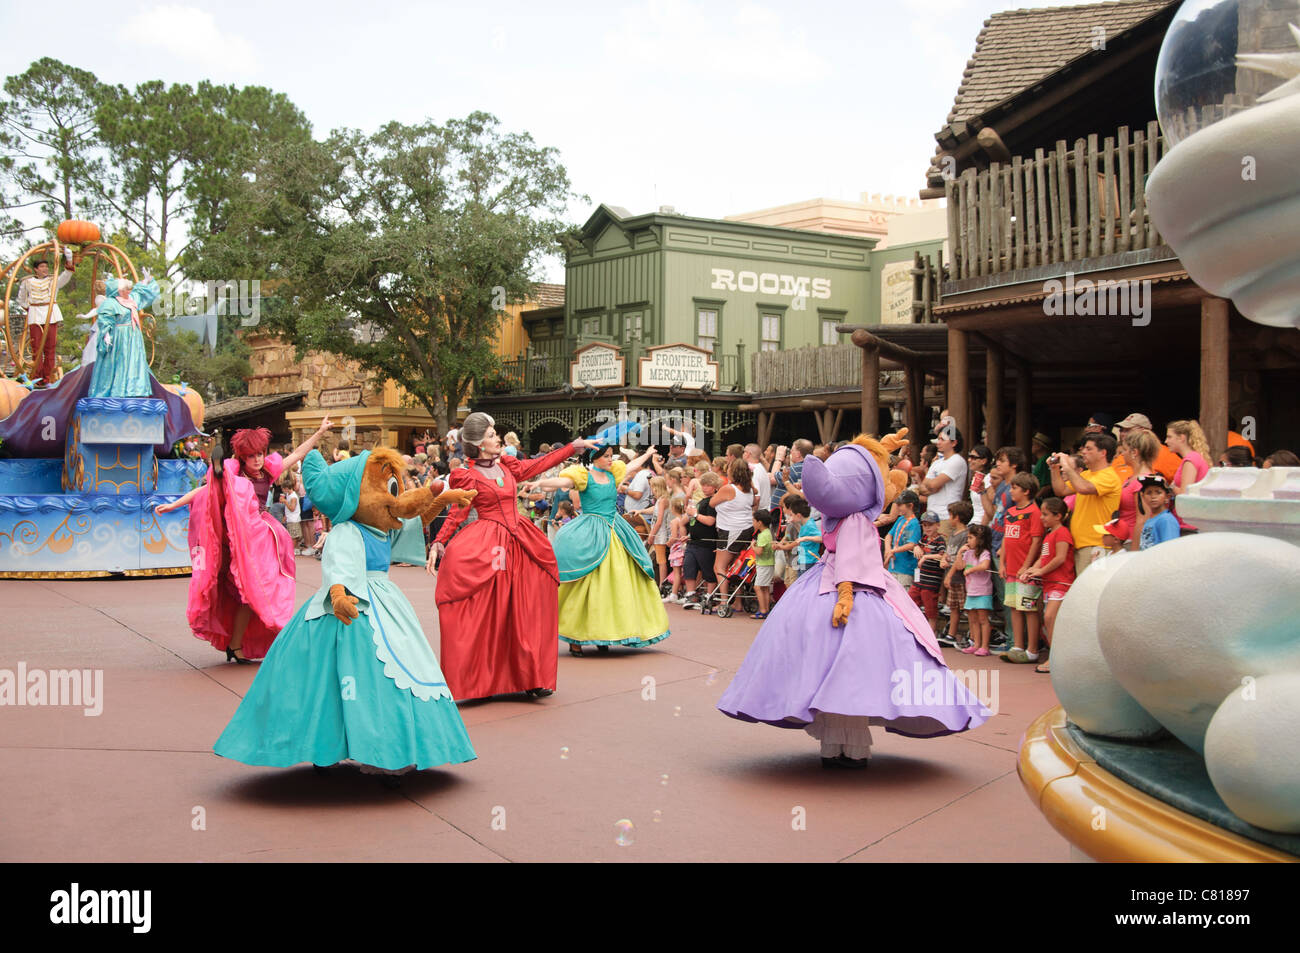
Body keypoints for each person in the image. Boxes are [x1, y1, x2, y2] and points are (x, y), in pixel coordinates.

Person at [717, 431, 989, 768]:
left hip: (832, 584)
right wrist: (845, 596)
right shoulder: (856, 519)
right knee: (854, 668)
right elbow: (850, 558)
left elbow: (847, 555)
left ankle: (836, 747)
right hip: (852, 587)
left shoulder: (840, 517)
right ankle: (848, 749)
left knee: (829, 665)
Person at [214, 447, 478, 776]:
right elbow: (338, 565)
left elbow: (411, 519)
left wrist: (439, 500)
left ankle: (386, 747)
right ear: (353, 495)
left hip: (382, 601)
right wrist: (338, 594)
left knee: (389, 670)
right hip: (350, 604)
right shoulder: (347, 531)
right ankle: (330, 745)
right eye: (388, 490)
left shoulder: (382, 528)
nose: (395, 499)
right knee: (340, 677)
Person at [428, 413, 596, 698]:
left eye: (495, 434)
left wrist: (572, 448)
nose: (497, 439)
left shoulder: (508, 465)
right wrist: (439, 542)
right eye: (491, 435)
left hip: (520, 542)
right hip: (487, 546)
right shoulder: (466, 475)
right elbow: (457, 512)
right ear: (478, 444)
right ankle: (480, 682)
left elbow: (539, 464)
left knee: (524, 609)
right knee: (490, 612)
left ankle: (531, 677)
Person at [157, 418, 333, 662]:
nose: (257, 459)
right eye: (251, 456)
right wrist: (174, 505)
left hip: (260, 536)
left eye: (260, 454)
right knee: (246, 594)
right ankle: (239, 644)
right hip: (237, 537)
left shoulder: (267, 471)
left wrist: (320, 432)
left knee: (255, 593)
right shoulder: (235, 474)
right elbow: (204, 491)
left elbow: (296, 454)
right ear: (242, 457)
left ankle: (238, 644)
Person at [523, 444, 667, 656]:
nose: (610, 459)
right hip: (590, 531)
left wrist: (647, 454)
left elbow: (631, 466)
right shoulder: (584, 476)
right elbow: (563, 482)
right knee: (584, 585)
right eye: (606, 456)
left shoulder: (613, 473)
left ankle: (604, 634)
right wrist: (539, 482)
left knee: (616, 586)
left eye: (611, 455)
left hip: (615, 531)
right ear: (595, 457)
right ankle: (576, 638)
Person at [1050, 433, 1122, 577]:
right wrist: (1054, 468)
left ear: (1103, 453)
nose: (1083, 452)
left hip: (1097, 545)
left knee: (1092, 588)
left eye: (1089, 449)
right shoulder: (1086, 475)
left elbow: (1084, 488)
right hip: (1082, 545)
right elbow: (1061, 490)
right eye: (1083, 448)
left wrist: (1067, 466)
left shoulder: (1109, 475)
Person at [1023, 497, 1074, 674]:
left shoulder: (1062, 533)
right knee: (1049, 620)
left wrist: (1040, 571)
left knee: (1050, 618)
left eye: (1045, 514)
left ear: (1058, 516)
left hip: (1061, 583)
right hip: (1050, 585)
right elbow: (1043, 558)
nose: (1042, 518)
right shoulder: (1050, 534)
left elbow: (1060, 558)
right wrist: (1031, 570)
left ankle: (1055, 659)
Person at [89, 275, 162, 398]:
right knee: (119, 362)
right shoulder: (110, 303)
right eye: (125, 290)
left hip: (133, 337)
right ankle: (116, 391)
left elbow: (141, 293)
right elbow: (105, 321)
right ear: (118, 291)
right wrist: (106, 334)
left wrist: (146, 281)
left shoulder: (131, 299)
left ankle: (134, 391)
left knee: (134, 361)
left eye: (128, 289)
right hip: (119, 338)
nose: (128, 291)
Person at [999, 473, 1044, 665]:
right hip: (1010, 569)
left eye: (1014, 488)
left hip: (1025, 572)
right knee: (1014, 607)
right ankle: (1017, 646)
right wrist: (1002, 562)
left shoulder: (1034, 512)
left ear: (1026, 491)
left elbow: (1036, 540)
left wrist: (1026, 566)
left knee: (1029, 608)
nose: (1011, 491)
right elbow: (1006, 538)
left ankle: (1032, 649)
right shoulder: (1010, 512)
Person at [16, 251, 74, 385]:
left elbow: (66, 276)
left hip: (50, 314)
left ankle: (48, 378)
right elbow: (21, 299)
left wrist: (69, 259)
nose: (45, 269)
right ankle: (37, 377)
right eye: (42, 267)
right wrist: (31, 308)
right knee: (36, 348)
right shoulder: (27, 282)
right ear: (36, 269)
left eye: (46, 266)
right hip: (35, 315)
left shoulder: (53, 280)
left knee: (50, 347)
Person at [711, 458, 755, 603]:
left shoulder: (729, 489)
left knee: (719, 566)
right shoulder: (750, 489)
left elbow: (712, 502)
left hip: (731, 529)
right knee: (735, 565)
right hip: (746, 528)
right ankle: (738, 603)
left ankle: (724, 601)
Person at [916, 425, 968, 533]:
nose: (938, 442)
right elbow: (922, 487)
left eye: (942, 439)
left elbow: (933, 484)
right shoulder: (936, 462)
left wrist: (932, 485)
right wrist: (933, 486)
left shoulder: (957, 461)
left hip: (946, 516)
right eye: (938, 439)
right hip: (930, 515)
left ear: (954, 443)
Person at [680, 473, 721, 608]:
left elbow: (710, 521)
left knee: (707, 570)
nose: (704, 488)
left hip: (706, 542)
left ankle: (710, 596)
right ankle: (691, 595)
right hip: (694, 541)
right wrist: (689, 536)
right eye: (703, 485)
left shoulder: (713, 502)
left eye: (708, 485)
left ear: (715, 486)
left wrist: (695, 514)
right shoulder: (702, 501)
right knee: (688, 567)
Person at [939, 499, 973, 648]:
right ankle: (951, 634)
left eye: (950, 515)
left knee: (968, 609)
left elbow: (962, 558)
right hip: (952, 577)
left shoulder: (965, 535)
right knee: (953, 608)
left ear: (957, 517)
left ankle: (972, 636)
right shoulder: (953, 534)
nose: (949, 518)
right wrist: (944, 559)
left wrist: (949, 574)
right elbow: (949, 553)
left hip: (960, 578)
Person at [958, 523, 995, 656]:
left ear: (980, 540)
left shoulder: (985, 553)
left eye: (971, 538)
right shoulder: (968, 553)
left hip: (983, 591)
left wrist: (971, 569)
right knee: (973, 620)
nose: (968, 540)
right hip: (971, 591)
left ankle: (985, 646)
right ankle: (976, 644)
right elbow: (959, 566)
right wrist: (960, 552)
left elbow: (985, 566)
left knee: (983, 619)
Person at [909, 511, 946, 634]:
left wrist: (926, 557)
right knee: (910, 603)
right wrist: (916, 547)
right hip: (919, 581)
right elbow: (916, 545)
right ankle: (914, 631)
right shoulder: (924, 539)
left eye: (930, 525)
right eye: (925, 525)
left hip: (930, 583)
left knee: (931, 612)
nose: (927, 528)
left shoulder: (940, 540)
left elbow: (942, 555)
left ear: (938, 525)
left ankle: (931, 635)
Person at [882, 490, 921, 588]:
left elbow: (911, 544)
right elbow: (888, 535)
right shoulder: (900, 519)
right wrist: (888, 549)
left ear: (910, 506)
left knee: (903, 591)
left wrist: (893, 550)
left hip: (905, 569)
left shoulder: (914, 523)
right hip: (893, 566)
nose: (897, 507)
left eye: (900, 505)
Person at [1132, 474, 1180, 551]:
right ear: (1143, 497)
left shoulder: (1166, 520)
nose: (1153, 496)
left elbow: (1170, 549)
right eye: (1149, 493)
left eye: (1158, 492)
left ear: (1167, 497)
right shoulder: (1150, 520)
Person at [1165, 419, 1212, 494]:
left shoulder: (1190, 460)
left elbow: (1185, 494)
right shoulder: (1194, 457)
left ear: (1181, 438)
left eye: (1169, 437)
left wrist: (1171, 486)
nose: (1166, 441)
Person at [751, 509, 775, 619]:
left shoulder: (762, 535)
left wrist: (753, 546)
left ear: (759, 522)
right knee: (764, 587)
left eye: (754, 520)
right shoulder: (768, 533)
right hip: (768, 563)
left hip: (764, 564)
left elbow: (759, 551)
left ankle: (763, 610)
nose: (753, 523)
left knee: (758, 587)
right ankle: (765, 609)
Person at [282, 473, 305, 554]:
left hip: (294, 519)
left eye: (283, 489)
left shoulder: (293, 496)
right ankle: (294, 549)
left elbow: (292, 508)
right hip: (290, 518)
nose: (283, 490)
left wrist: (285, 502)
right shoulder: (289, 495)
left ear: (286, 488)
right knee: (292, 535)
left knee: (294, 536)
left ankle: (293, 549)